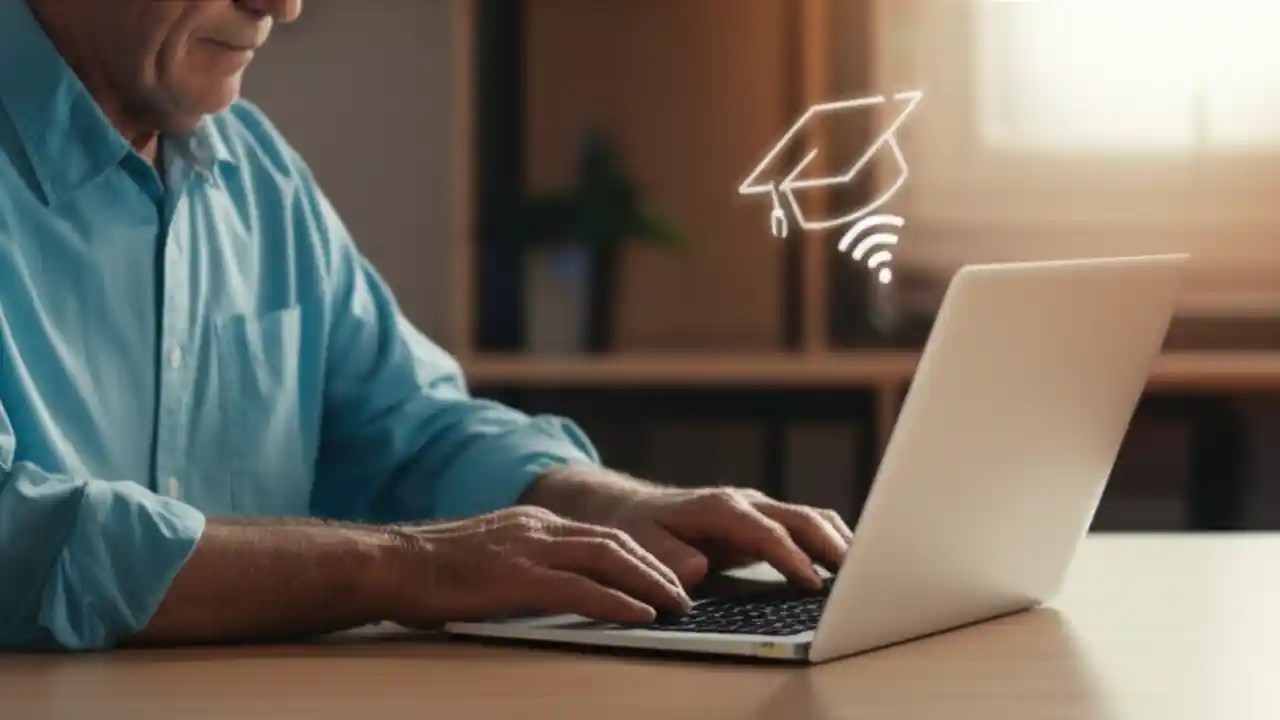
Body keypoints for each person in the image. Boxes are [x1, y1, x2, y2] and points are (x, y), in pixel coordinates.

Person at [0, 0, 853, 651]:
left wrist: (609, 506)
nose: (285, 5)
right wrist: (409, 566)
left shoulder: (255, 172)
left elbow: (408, 431)